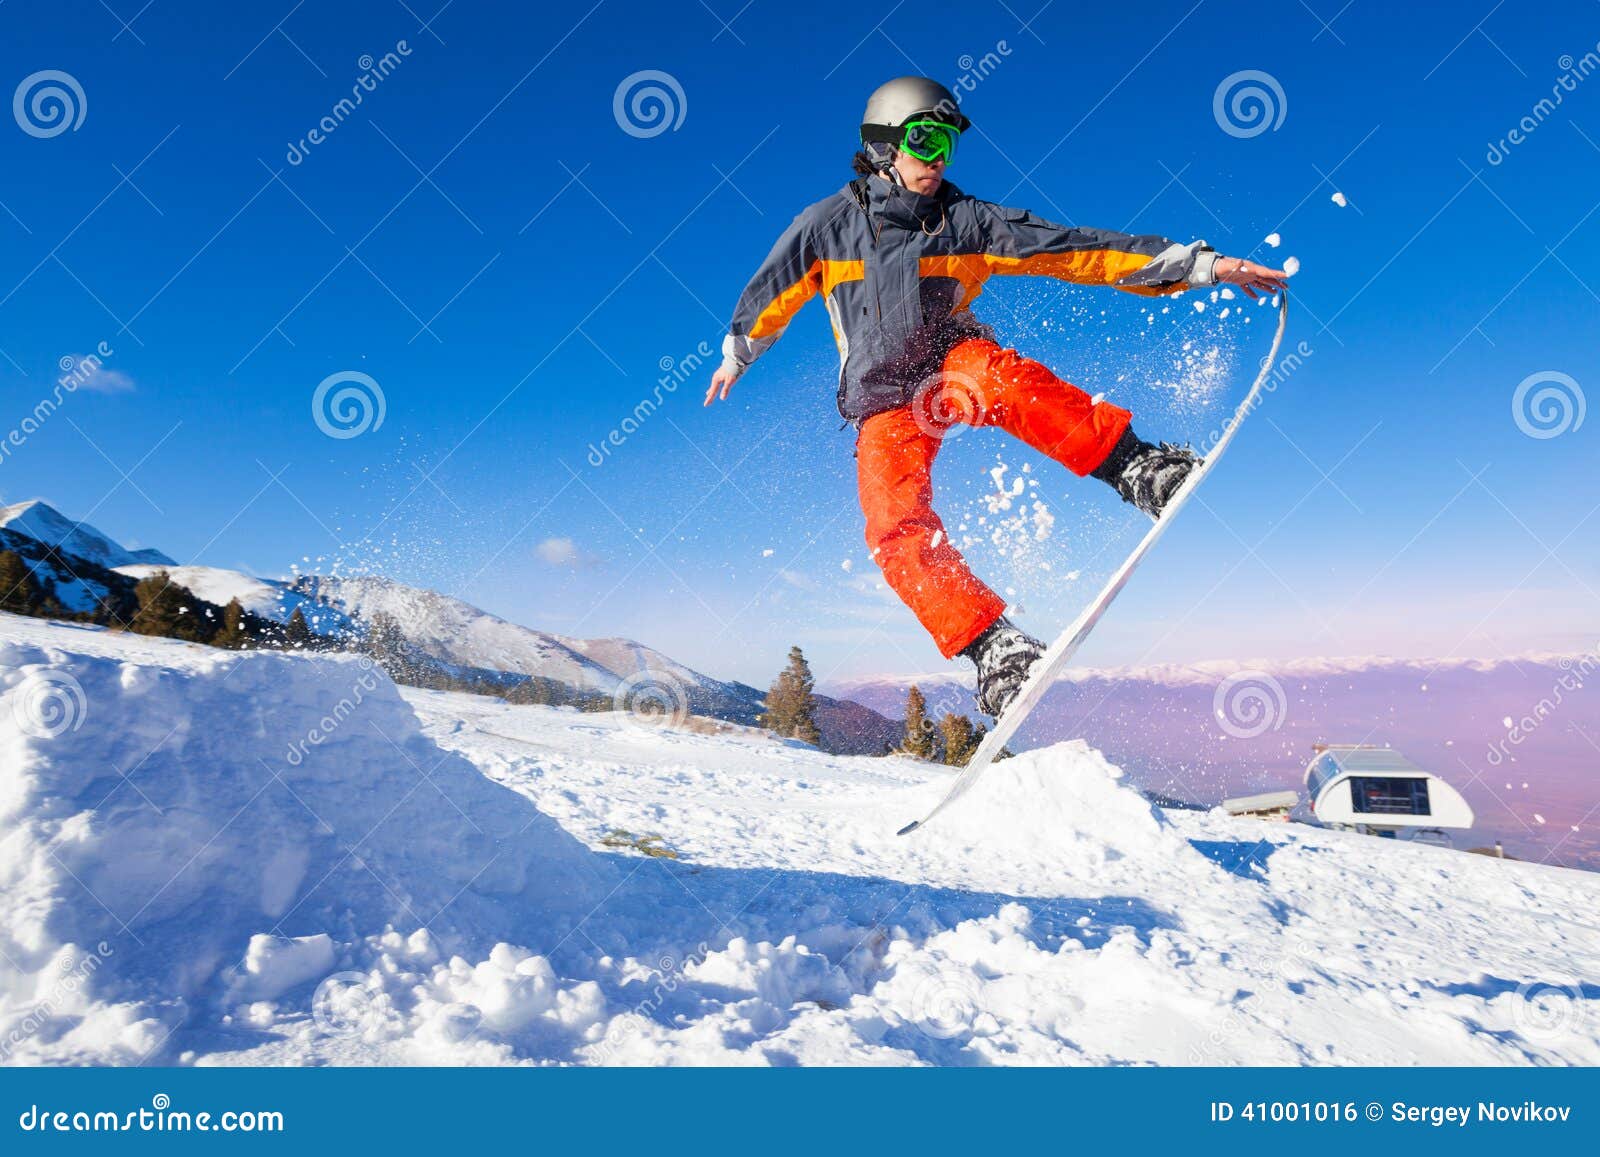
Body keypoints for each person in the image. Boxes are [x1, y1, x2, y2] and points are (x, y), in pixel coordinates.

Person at [705, 76, 1288, 720]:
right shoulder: (828, 227)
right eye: (923, 141)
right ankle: (995, 649)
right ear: (880, 145)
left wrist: (1202, 265)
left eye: (947, 144)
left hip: (949, 365)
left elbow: (1075, 251)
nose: (937, 159)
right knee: (893, 528)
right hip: (882, 402)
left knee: (1001, 379)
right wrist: (739, 352)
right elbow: (773, 290)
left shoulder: (965, 220)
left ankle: (1136, 467)